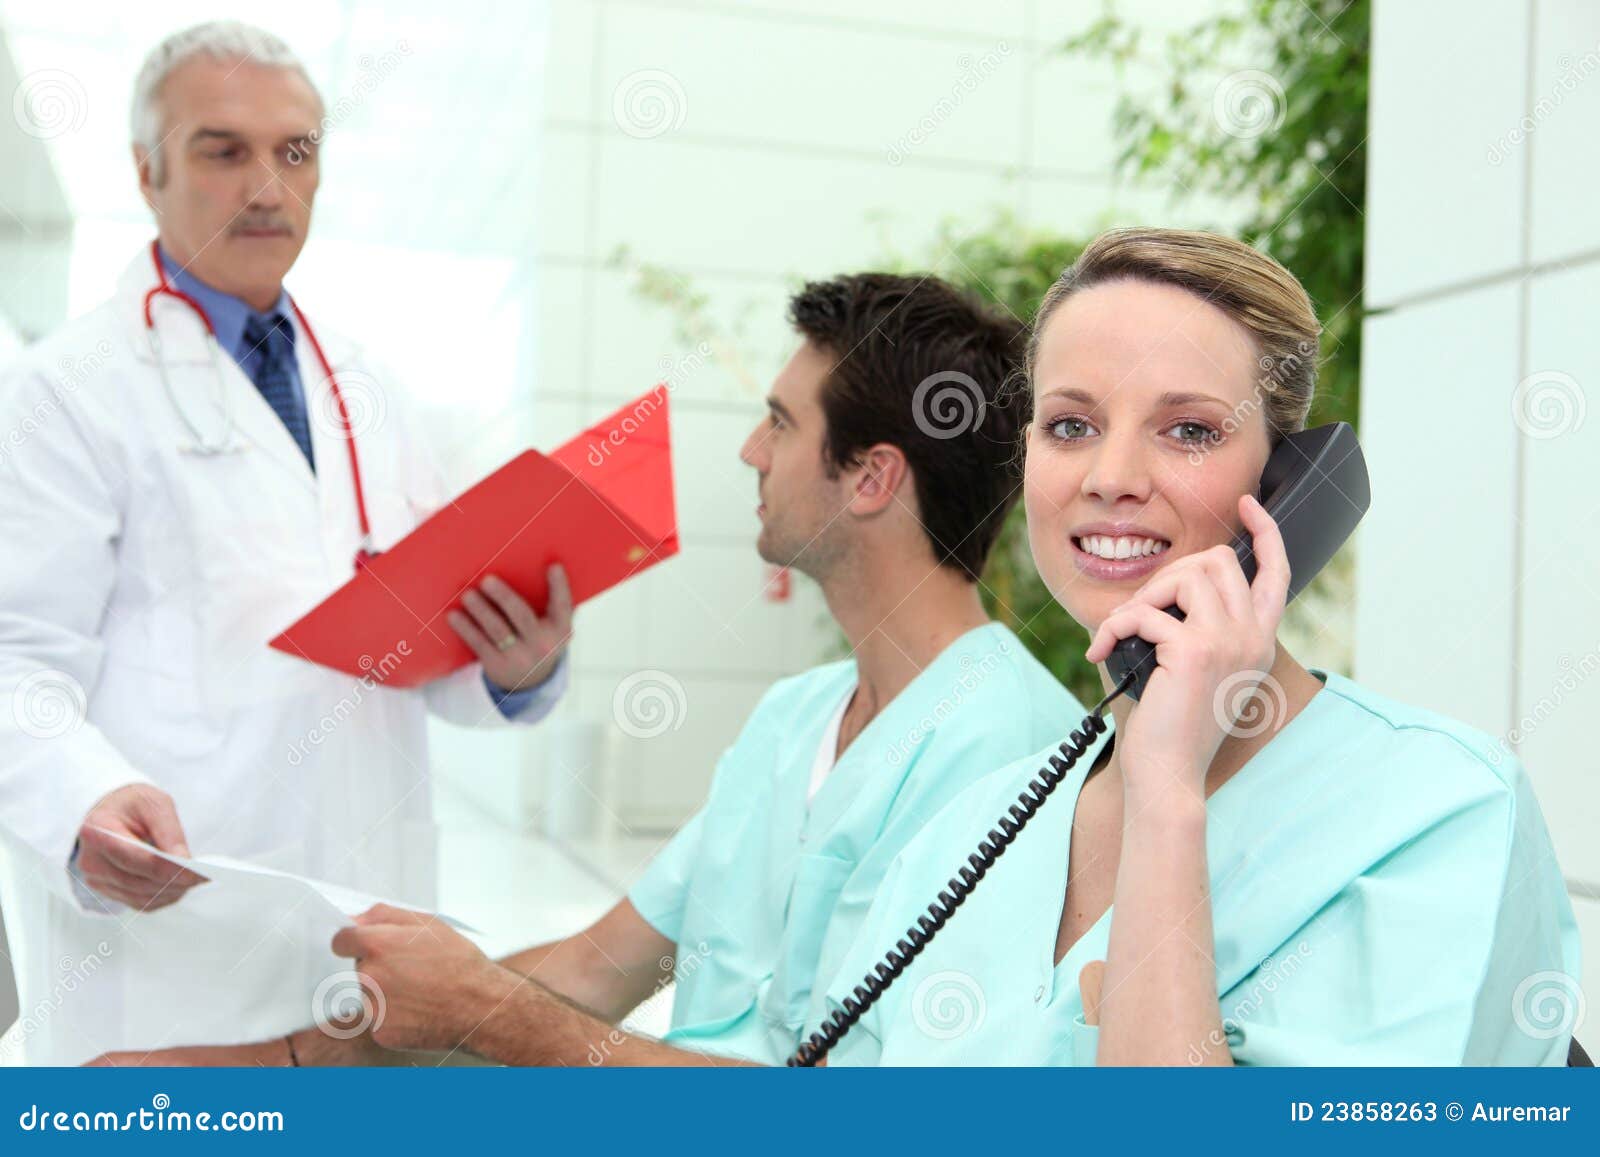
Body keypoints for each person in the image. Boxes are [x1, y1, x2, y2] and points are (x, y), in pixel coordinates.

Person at [93, 271, 1090, 1067]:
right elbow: (589, 967)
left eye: (780, 422)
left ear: (871, 476)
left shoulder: (1020, 758)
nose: (749, 450)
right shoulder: (799, 718)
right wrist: (258, 1067)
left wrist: (486, 1007)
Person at [804, 227, 1581, 1066]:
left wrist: (1168, 789)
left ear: (1289, 485)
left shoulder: (1443, 809)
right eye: (1070, 424)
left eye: (1189, 431)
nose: (1111, 475)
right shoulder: (960, 837)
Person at [0, 21, 572, 1066]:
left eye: (295, 150)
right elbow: (14, 656)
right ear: (146, 169)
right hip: (177, 915)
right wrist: (79, 795)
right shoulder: (64, 389)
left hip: (365, 913)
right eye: (224, 149)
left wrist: (512, 668)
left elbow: (408, 633)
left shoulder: (369, 387)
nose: (268, 184)